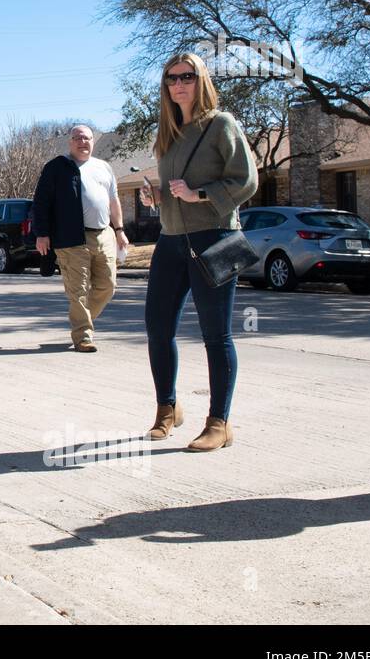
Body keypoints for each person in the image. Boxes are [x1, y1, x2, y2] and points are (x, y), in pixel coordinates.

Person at [139, 52, 257, 451]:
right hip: (171, 240)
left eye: (187, 76)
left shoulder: (221, 124)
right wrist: (156, 196)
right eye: (171, 78)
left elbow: (247, 180)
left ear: (200, 80)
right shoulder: (167, 134)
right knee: (157, 327)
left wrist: (201, 193)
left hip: (216, 238)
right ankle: (167, 409)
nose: (179, 84)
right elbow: (175, 190)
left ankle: (220, 423)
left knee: (216, 335)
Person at [32, 125, 129, 352]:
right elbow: (41, 203)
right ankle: (83, 336)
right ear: (70, 142)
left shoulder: (104, 167)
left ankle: (82, 321)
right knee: (78, 291)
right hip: (70, 238)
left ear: (93, 141)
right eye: (77, 138)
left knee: (108, 286)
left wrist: (120, 229)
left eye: (86, 138)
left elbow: (113, 202)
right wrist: (42, 233)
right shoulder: (56, 168)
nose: (82, 142)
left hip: (103, 234)